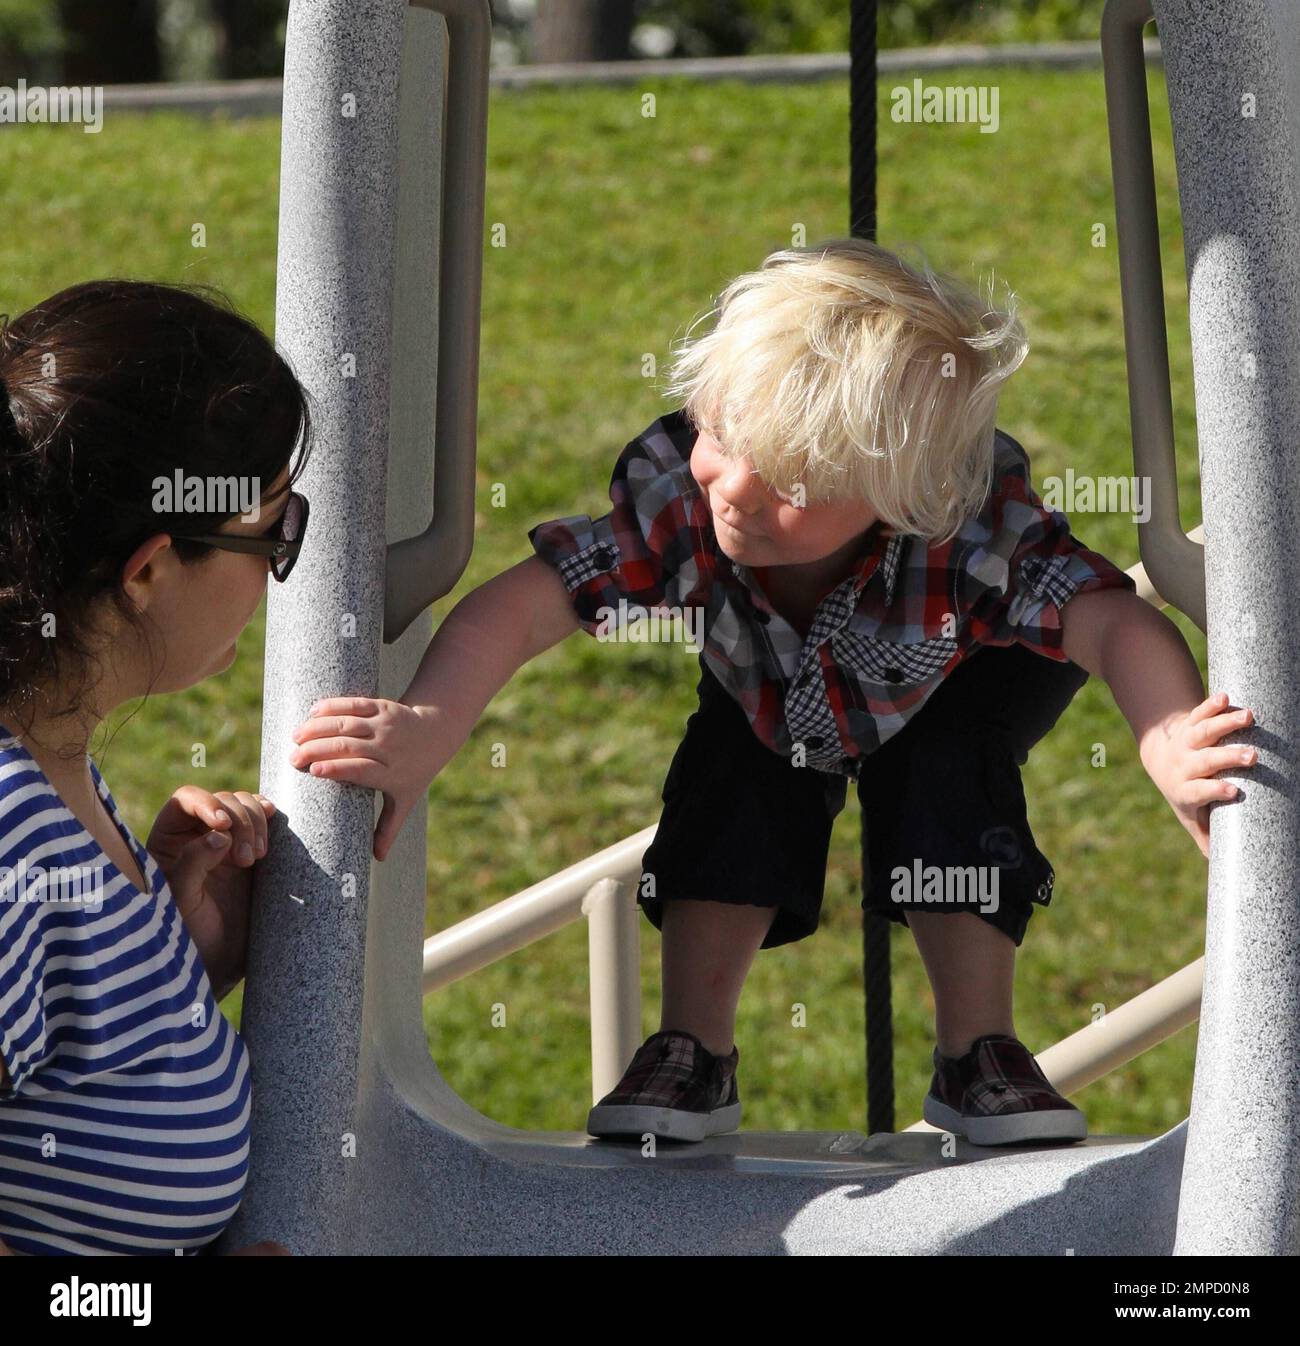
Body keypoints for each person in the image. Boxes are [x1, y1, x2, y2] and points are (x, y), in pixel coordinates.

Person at [288, 237, 1256, 1147]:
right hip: (764, 676)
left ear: (900, 493)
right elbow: (528, 604)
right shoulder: (683, 493)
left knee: (946, 777)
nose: (736, 487)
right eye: (721, 432)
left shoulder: (967, 528)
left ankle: (977, 1052)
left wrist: (1169, 732)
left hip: (960, 669)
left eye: (789, 474)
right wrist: (429, 720)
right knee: (730, 779)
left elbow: (1111, 618)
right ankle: (693, 1049)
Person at [0, 279, 308, 1254]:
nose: (276, 570)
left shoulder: (58, 770)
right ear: (146, 571)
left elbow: (71, 1076)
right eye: (270, 538)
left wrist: (172, 932)